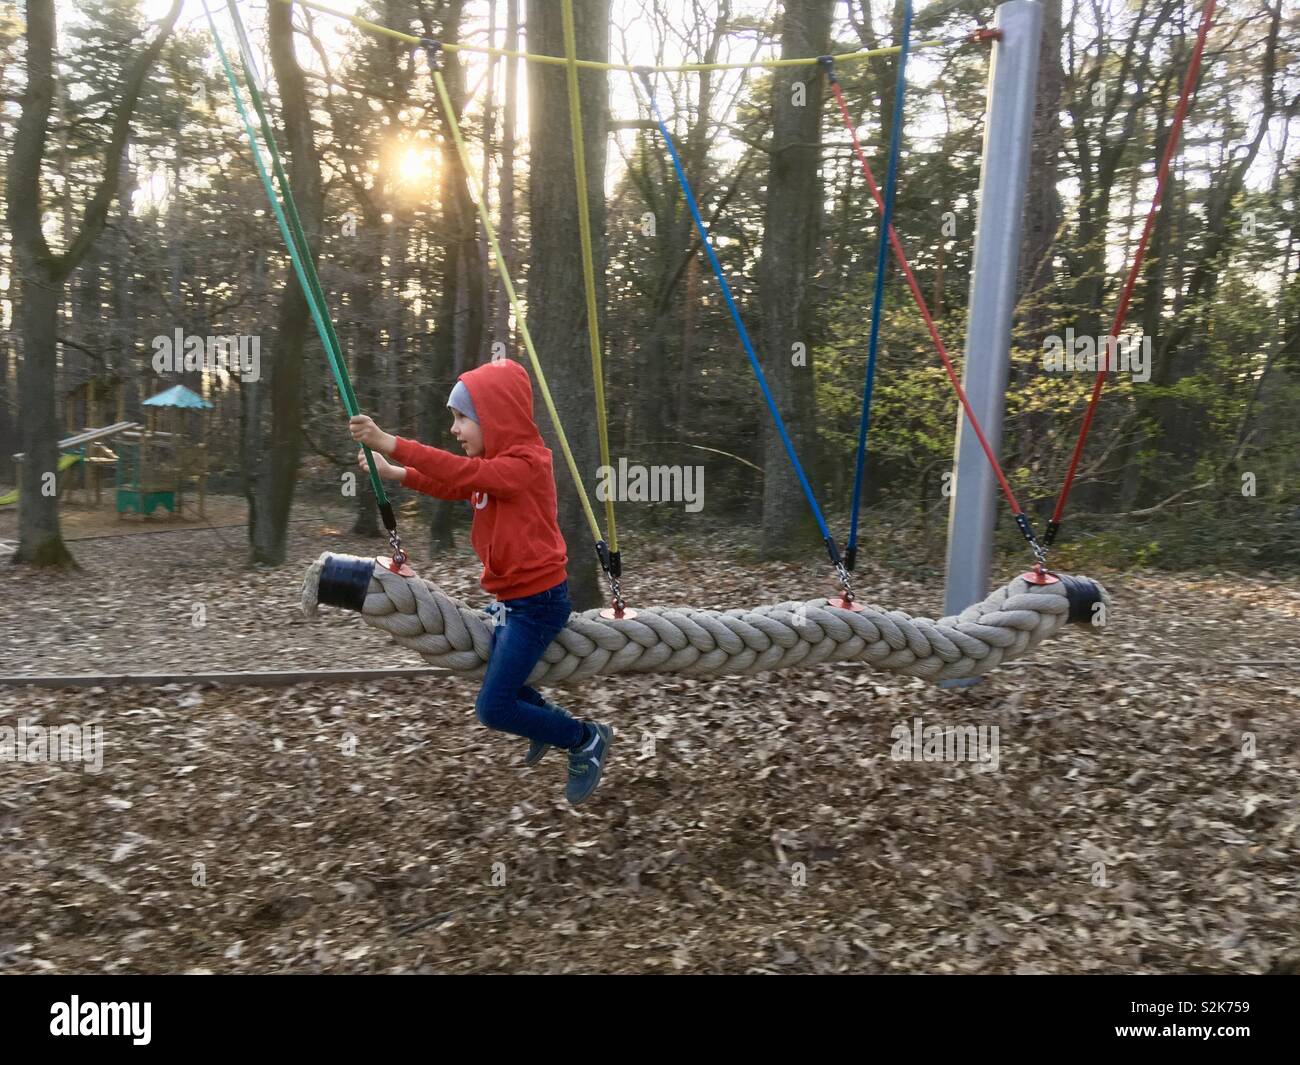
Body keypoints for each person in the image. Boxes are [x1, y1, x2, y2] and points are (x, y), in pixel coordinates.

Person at [348, 359, 613, 804]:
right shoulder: (492, 466)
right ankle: (541, 718)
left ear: (497, 417)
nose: (453, 428)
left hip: (539, 606)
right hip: (514, 602)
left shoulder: (525, 465)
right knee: (496, 676)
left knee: (493, 708)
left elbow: (462, 474)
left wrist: (392, 444)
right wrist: (399, 474)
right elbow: (456, 486)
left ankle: (584, 738)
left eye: (461, 417)